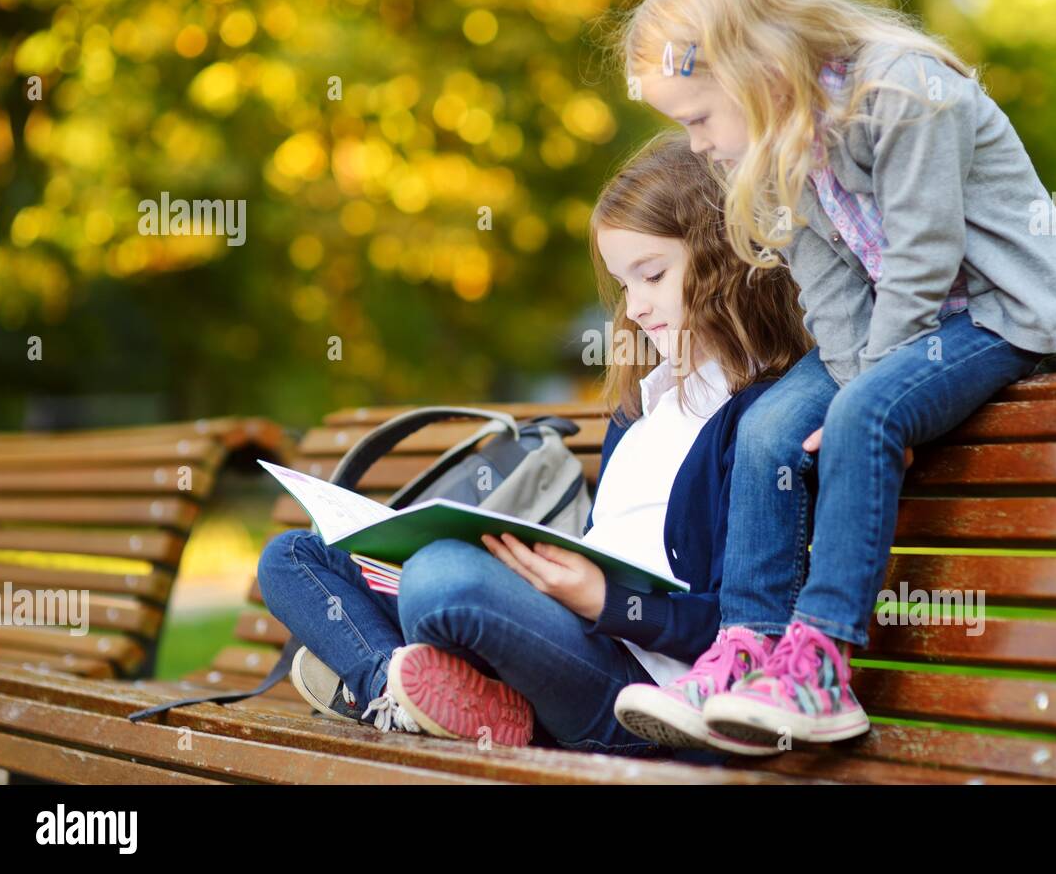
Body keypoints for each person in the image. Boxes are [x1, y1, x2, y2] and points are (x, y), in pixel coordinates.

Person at [613, 0, 1056, 753]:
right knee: (770, 421)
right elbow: (832, 289)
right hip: (892, 331)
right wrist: (855, 377)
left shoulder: (904, 93)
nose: (696, 143)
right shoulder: (785, 141)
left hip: (994, 316)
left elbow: (921, 258)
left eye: (698, 118)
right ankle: (750, 648)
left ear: (752, 64)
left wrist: (872, 397)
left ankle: (822, 664)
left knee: (862, 413)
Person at [257, 130, 812, 755]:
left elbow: (738, 627)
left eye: (652, 275)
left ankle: (403, 691)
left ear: (724, 259)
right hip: (563, 635)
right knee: (294, 557)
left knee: (443, 579)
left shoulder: (764, 417)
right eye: (624, 285)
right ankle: (404, 692)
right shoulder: (643, 404)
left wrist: (605, 601)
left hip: (637, 692)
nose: (636, 307)